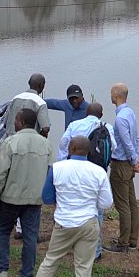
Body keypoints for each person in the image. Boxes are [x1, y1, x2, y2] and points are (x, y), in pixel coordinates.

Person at [22, 135, 113, 277]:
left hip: (63, 222)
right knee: (83, 269)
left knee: (50, 261)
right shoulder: (98, 172)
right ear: (88, 151)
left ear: (70, 149)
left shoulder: (57, 168)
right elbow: (106, 202)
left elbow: (46, 197)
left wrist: (61, 201)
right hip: (88, 223)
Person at [0, 107, 53, 277]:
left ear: (21, 122)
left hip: (10, 198)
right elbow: (51, 172)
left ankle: (2, 272)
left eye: (16, 119)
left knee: (2, 231)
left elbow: (0, 174)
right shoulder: (46, 144)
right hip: (34, 199)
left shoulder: (10, 142)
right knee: (30, 237)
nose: (13, 122)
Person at [57, 102, 114, 259]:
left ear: (85, 113)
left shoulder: (75, 125)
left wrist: (61, 166)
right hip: (97, 173)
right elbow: (113, 148)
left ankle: (71, 244)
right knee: (97, 210)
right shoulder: (107, 127)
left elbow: (63, 145)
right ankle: (95, 251)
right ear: (100, 115)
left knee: (74, 205)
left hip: (74, 171)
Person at [104, 82, 139, 253]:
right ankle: (132, 240)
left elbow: (126, 143)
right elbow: (136, 139)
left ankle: (123, 243)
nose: (110, 95)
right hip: (129, 163)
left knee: (122, 205)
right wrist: (136, 159)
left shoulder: (120, 119)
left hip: (121, 164)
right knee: (131, 203)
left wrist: (134, 161)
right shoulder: (130, 113)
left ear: (117, 96)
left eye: (112, 92)